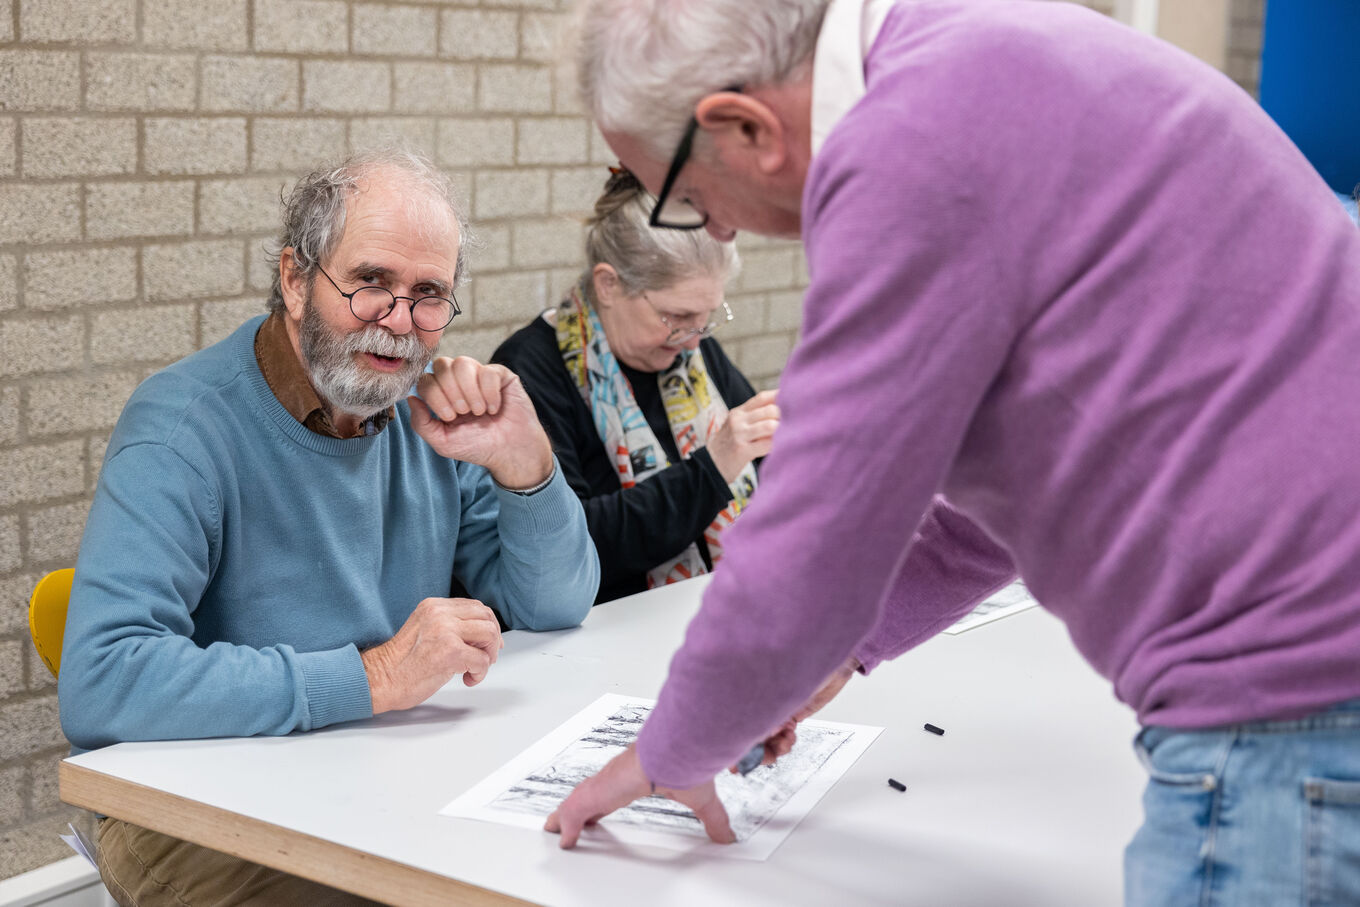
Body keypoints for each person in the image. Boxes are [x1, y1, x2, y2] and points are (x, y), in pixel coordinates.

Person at [546, 2, 1360, 903]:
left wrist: (673, 748)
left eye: (689, 197)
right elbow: (994, 508)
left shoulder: (915, 141)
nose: (719, 230)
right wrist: (841, 651)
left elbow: (816, 534)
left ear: (745, 128)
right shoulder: (972, 55)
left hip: (1293, 690)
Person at [58, 149, 599, 905]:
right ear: (294, 279)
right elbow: (104, 680)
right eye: (370, 283)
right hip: (196, 806)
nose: (400, 323)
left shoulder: (425, 416)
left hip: (368, 776)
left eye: (429, 294)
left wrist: (526, 463)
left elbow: (555, 603)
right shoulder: (182, 429)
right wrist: (374, 676)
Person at [492, 168, 779, 603]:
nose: (695, 338)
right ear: (609, 284)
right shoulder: (529, 370)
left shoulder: (691, 351)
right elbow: (575, 542)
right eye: (677, 316)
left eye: (707, 317)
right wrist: (715, 465)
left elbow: (770, 468)